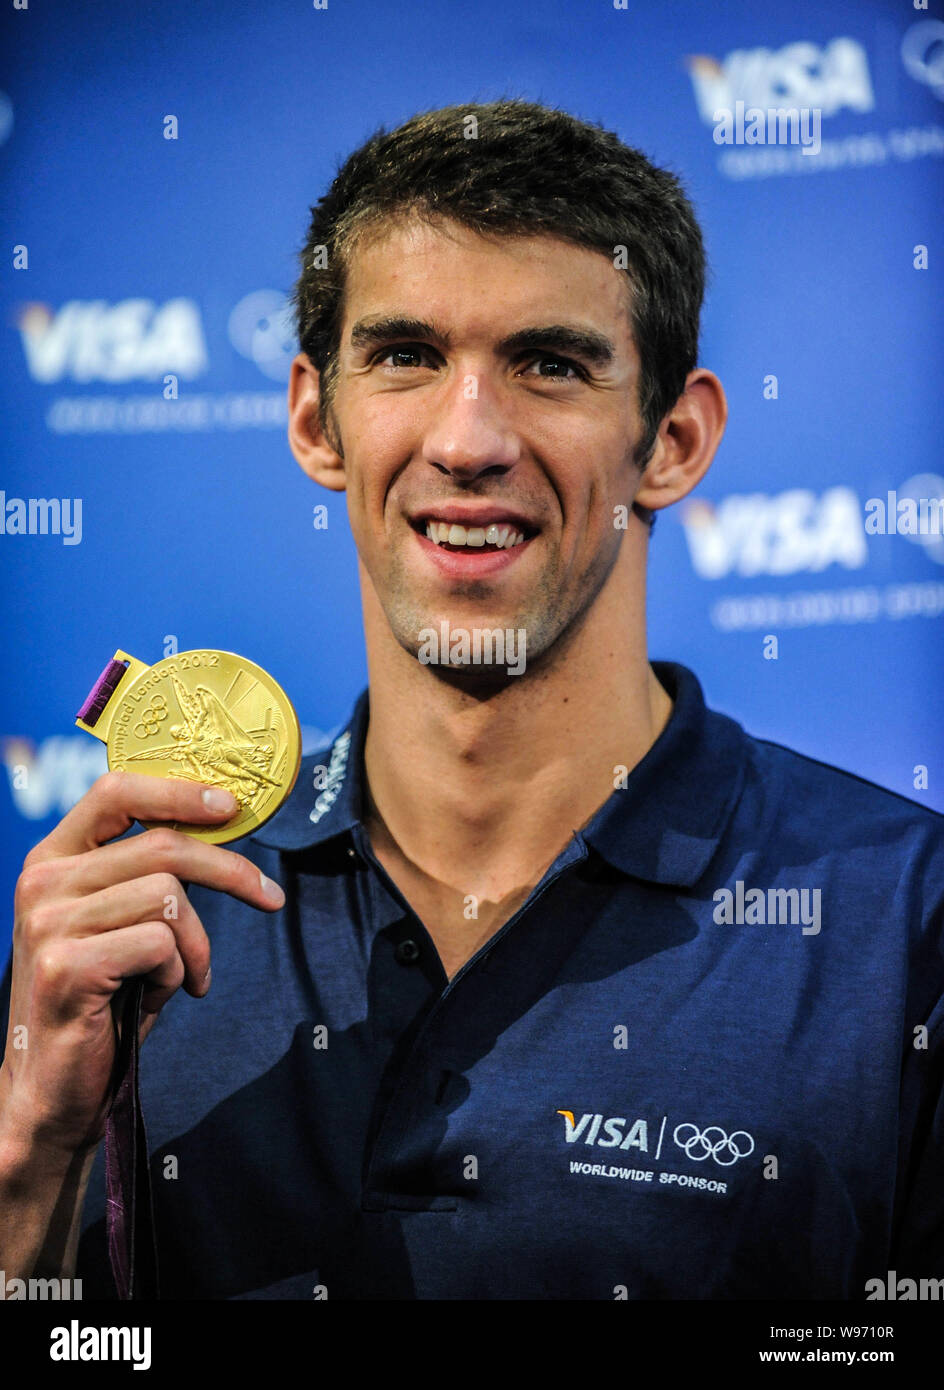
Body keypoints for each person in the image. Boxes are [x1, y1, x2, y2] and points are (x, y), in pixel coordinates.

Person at [1, 99, 941, 1301]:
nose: (467, 440)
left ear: (672, 439)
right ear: (315, 420)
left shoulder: (903, 925)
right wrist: (31, 1164)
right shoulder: (143, 920)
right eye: (405, 355)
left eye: (550, 364)